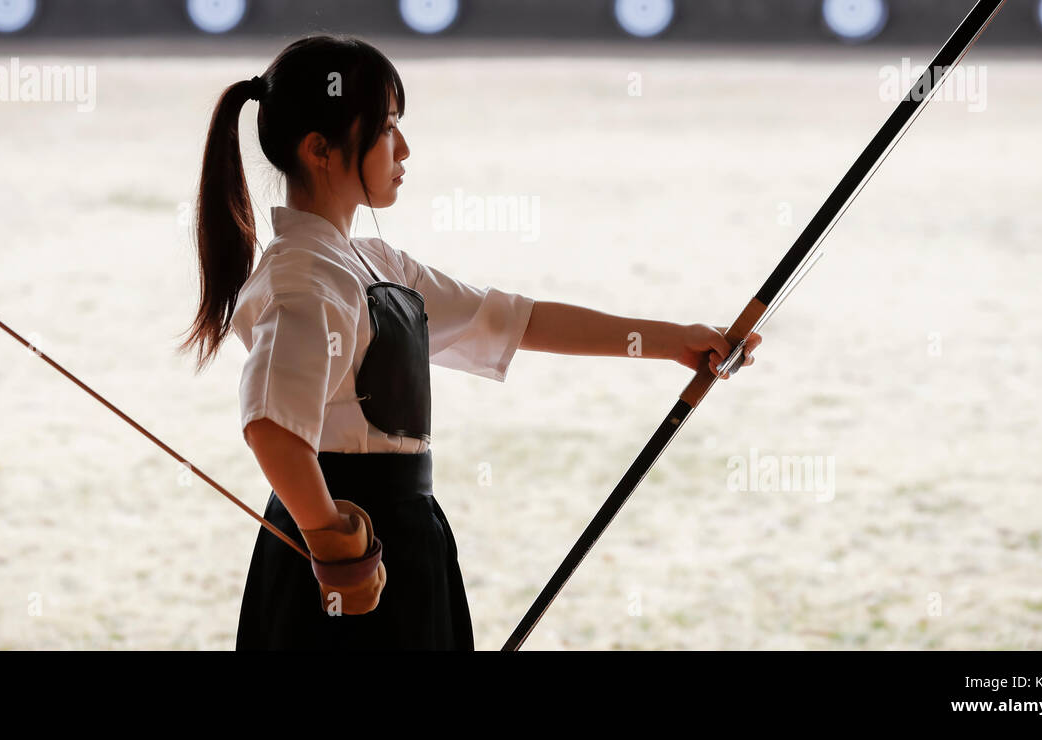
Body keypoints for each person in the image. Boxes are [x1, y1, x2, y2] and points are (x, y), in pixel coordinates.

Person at [177, 33, 761, 650]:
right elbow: (271, 426)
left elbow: (512, 319)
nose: (402, 147)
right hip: (346, 555)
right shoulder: (305, 277)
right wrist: (329, 541)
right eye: (384, 128)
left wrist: (673, 342)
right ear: (320, 149)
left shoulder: (373, 263)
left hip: (396, 535)